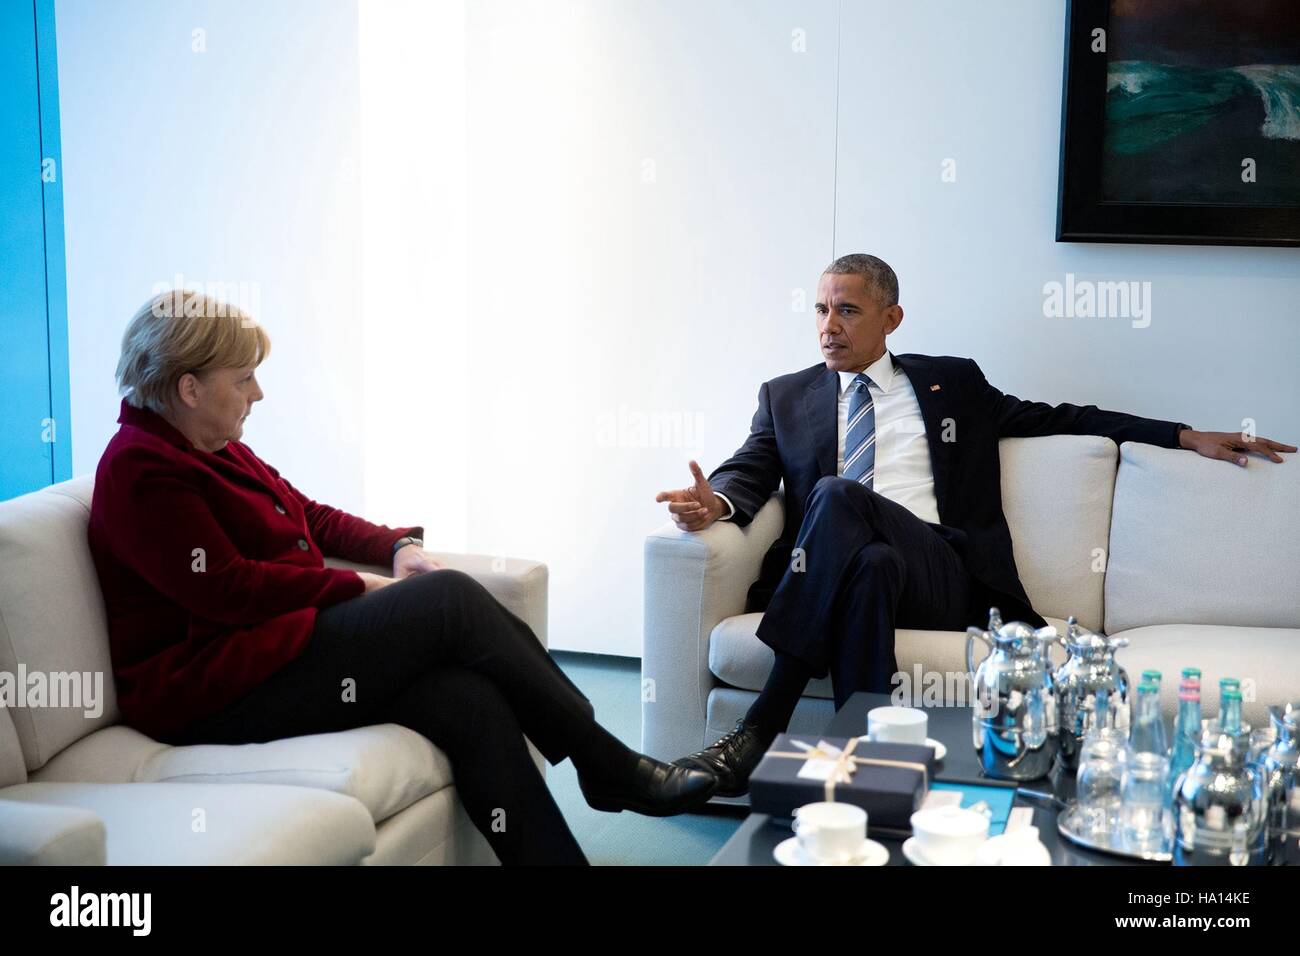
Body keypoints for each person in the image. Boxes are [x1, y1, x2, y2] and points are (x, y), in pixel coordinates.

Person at [89, 289, 714, 866]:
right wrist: (354, 587)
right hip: (212, 690)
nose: (257, 395)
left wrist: (396, 548)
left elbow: (310, 516)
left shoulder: (212, 443)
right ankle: (607, 762)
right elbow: (224, 589)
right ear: (190, 388)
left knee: (467, 700)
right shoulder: (141, 469)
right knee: (447, 600)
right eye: (244, 379)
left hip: (276, 652)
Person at [658, 253, 1294, 796]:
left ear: (891, 318)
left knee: (837, 493)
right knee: (869, 562)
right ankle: (872, 766)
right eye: (820, 311)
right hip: (847, 569)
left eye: (846, 311)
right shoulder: (786, 394)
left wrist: (1182, 435)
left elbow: (1065, 417)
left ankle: (760, 728)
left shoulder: (949, 384)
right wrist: (715, 504)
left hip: (944, 571)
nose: (828, 327)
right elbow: (749, 468)